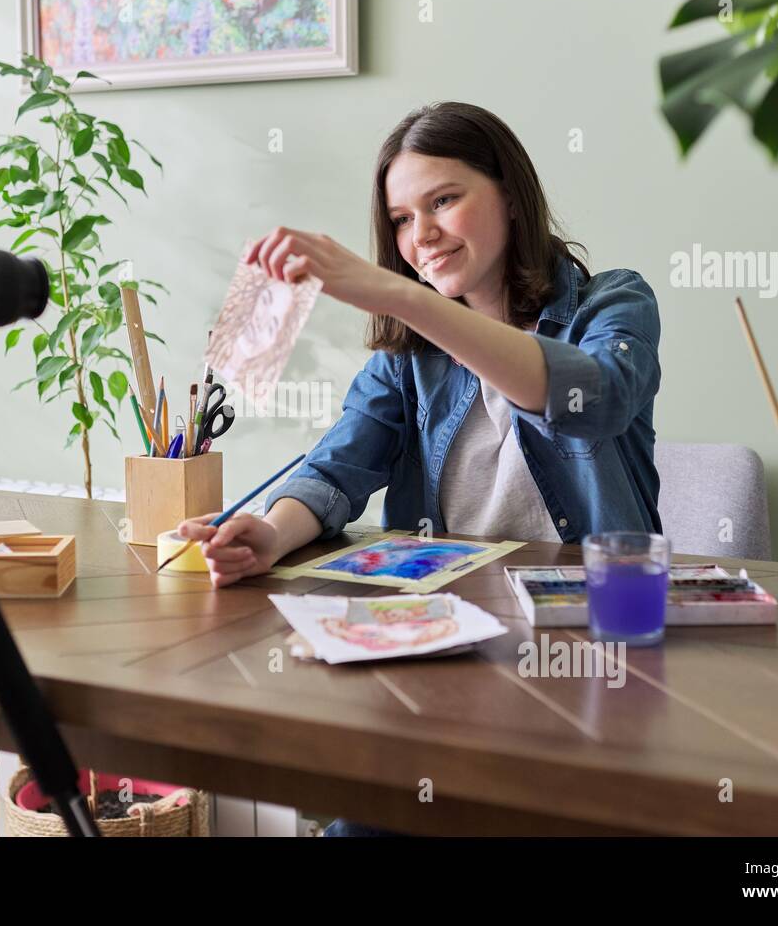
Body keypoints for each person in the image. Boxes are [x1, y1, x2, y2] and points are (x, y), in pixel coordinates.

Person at [177, 101, 662, 836]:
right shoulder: (408, 356)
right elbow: (340, 463)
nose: (421, 236)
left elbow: (587, 400)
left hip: (588, 656)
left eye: (443, 201)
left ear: (509, 194)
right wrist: (271, 535)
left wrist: (400, 294)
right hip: (444, 647)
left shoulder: (614, 303)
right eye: (401, 219)